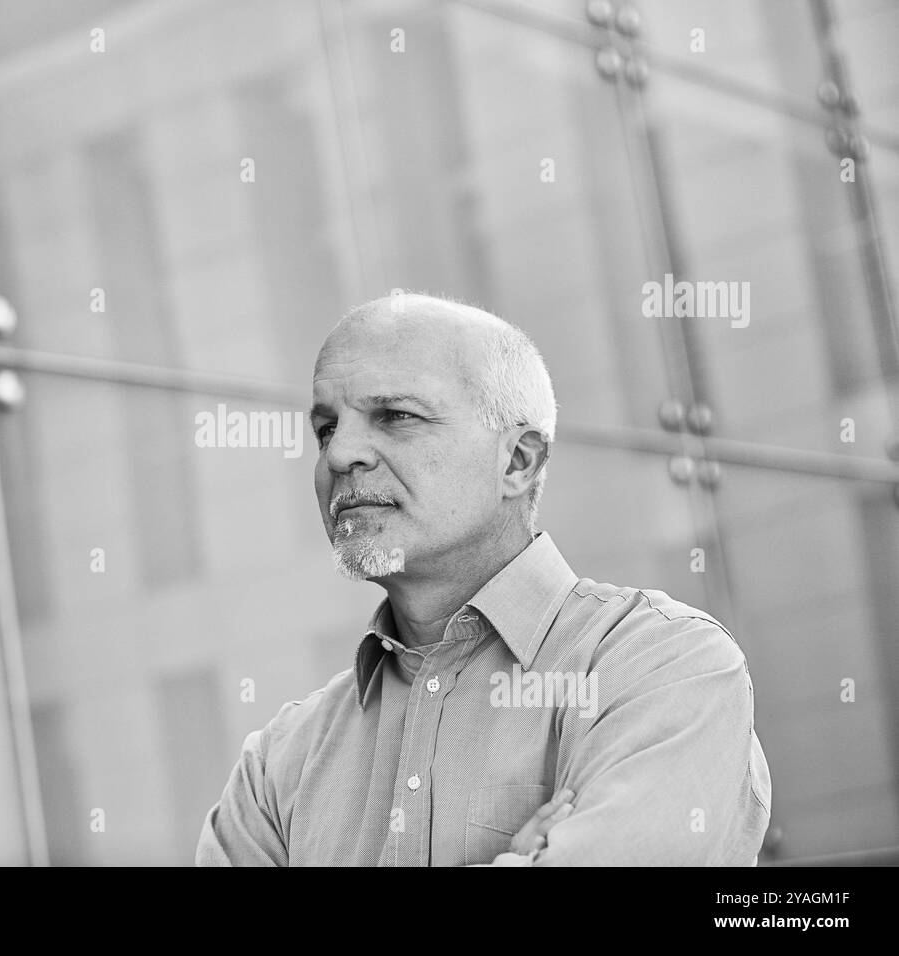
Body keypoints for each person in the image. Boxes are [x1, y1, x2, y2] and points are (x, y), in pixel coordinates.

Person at [195, 292, 771, 866]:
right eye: (326, 429)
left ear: (518, 461)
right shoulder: (278, 763)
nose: (340, 454)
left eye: (395, 416)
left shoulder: (663, 665)